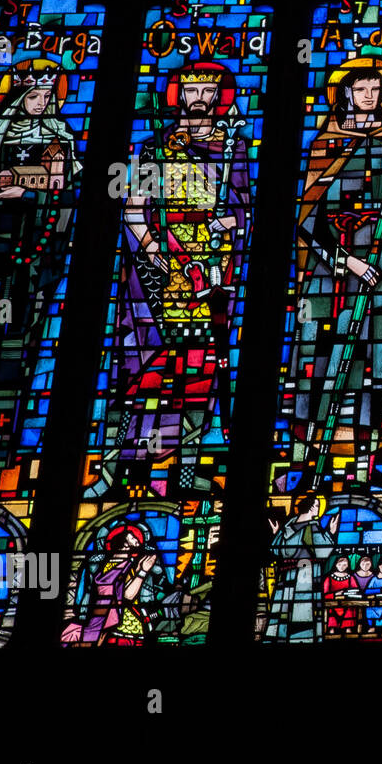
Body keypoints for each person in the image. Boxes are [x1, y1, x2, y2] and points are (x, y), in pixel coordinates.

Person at [110, 61, 251, 494]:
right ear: (179, 95)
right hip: (160, 278)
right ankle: (131, 467)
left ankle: (182, 472)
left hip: (210, 276)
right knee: (151, 370)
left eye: (210, 90)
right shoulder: (155, 150)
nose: (201, 97)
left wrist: (224, 227)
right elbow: (133, 209)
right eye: (192, 89)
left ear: (219, 97)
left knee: (202, 373)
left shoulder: (232, 152)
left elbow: (244, 211)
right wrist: (154, 250)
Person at [288, 57, 382, 488]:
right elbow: (308, 220)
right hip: (331, 275)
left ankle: (365, 465)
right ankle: (309, 462)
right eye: (362, 89)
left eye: (376, 91)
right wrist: (346, 261)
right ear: (345, 93)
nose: (370, 97)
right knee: (320, 359)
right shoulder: (326, 145)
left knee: (376, 364)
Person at [0, 59, 81, 489]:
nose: (42, 104)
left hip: (30, 272)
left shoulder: (60, 142)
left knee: (14, 361)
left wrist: (29, 192)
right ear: (16, 96)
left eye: (48, 97)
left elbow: (68, 206)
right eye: (34, 96)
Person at [61, 523, 166, 646]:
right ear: (124, 542)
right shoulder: (103, 565)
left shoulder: (129, 564)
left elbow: (128, 596)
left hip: (125, 622)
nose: (137, 539)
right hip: (105, 620)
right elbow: (125, 595)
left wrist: (142, 571)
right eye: (132, 537)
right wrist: (142, 571)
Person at [261, 492, 339, 642]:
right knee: (303, 610)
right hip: (306, 575)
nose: (318, 509)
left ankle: (278, 637)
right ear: (310, 508)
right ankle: (304, 638)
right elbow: (324, 551)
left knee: (283, 608)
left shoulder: (288, 528)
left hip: (286, 575)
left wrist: (277, 532)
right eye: (316, 506)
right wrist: (331, 533)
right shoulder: (311, 529)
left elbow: (278, 549)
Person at [323, 555, 356, 634]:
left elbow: (356, 590)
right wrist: (335, 595)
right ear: (335, 564)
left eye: (344, 565)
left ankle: (348, 629)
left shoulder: (350, 577)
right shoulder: (329, 578)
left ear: (348, 565)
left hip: (346, 603)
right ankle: (331, 630)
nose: (342, 567)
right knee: (330, 610)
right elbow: (324, 594)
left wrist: (349, 593)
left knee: (350, 608)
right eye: (340, 564)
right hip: (332, 604)